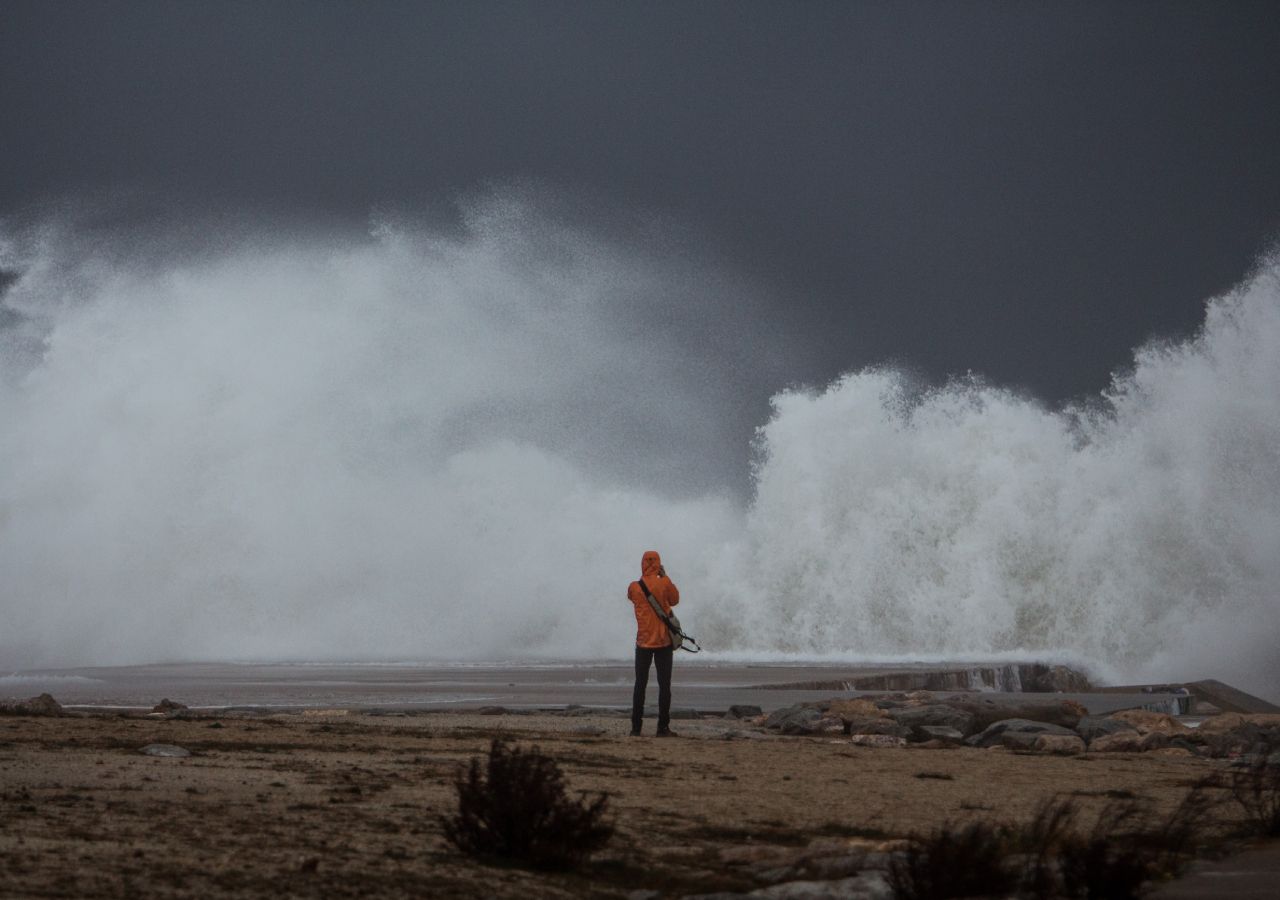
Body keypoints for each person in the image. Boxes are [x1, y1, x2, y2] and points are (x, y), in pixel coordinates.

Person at [627, 550, 680, 737]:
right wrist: (665, 577)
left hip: (643, 642)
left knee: (640, 685)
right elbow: (675, 600)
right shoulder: (665, 583)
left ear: (642, 563)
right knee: (664, 686)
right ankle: (662, 727)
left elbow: (631, 598)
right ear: (658, 563)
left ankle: (636, 728)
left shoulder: (634, 586)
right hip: (663, 642)